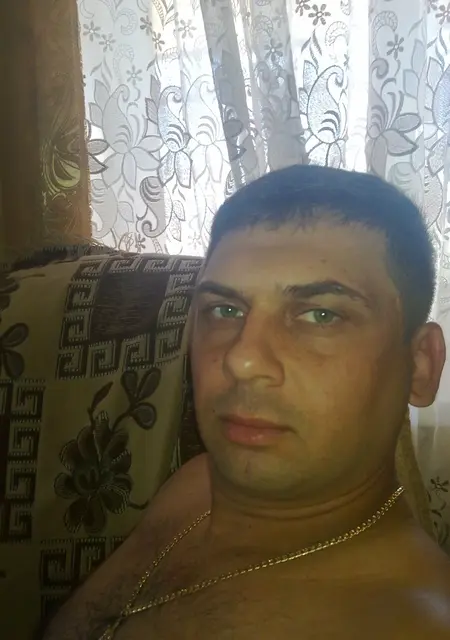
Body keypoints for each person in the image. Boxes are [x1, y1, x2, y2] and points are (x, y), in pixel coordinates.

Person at [42, 165, 450, 639]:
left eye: (321, 315)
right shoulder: (194, 488)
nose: (242, 359)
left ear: (420, 366)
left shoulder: (411, 622)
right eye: (225, 309)